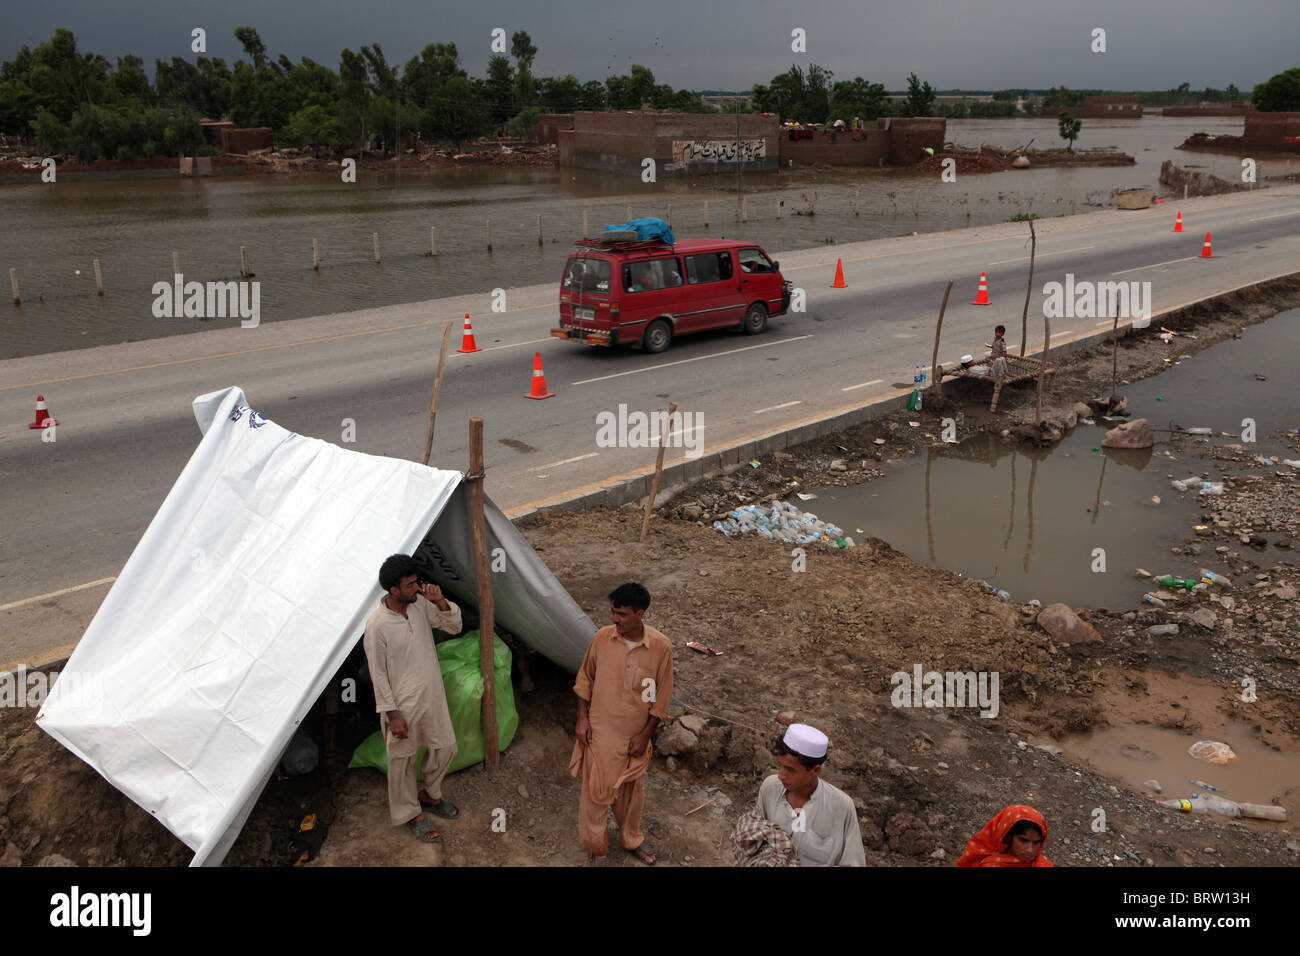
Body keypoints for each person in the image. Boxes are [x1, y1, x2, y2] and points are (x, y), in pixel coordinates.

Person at [362, 554, 464, 843]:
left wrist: (441, 602)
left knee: (446, 747)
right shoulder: (377, 625)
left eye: (416, 582)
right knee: (402, 762)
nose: (417, 588)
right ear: (393, 591)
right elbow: (378, 674)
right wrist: (393, 715)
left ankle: (430, 795)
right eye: (410, 585)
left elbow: (453, 626)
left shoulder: (419, 606)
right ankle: (411, 813)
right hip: (401, 706)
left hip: (432, 696)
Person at [570, 582, 674, 865]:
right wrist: (582, 718)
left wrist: (645, 735)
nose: (615, 619)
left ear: (640, 614)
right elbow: (584, 680)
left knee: (631, 794)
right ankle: (597, 848)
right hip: (600, 732)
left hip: (634, 736)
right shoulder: (603, 638)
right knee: (597, 793)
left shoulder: (660, 648)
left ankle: (631, 839)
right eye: (613, 612)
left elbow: (660, 699)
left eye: (622, 614)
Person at [753, 723, 866, 866]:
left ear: (815, 770)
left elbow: (853, 863)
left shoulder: (842, 806)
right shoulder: (770, 788)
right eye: (780, 765)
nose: (781, 775)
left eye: (790, 769)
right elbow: (754, 840)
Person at [955, 805, 1054, 866]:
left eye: (1036, 842)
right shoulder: (992, 864)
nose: (1030, 850)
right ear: (1009, 836)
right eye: (1023, 841)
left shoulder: (1039, 863)